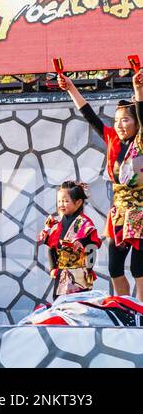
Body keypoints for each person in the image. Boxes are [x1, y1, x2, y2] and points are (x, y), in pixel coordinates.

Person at [58, 68, 143, 299]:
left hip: (141, 212)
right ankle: (126, 306)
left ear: (137, 123)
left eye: (125, 119)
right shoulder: (113, 139)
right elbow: (89, 115)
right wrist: (70, 88)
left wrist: (138, 90)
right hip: (119, 213)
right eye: (117, 120)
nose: (120, 125)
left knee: (139, 268)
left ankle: (141, 313)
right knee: (115, 268)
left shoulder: (142, 141)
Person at [37, 181, 102, 298]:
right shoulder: (57, 225)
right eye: (59, 201)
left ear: (78, 203)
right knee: (60, 305)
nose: (62, 204)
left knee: (80, 305)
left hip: (80, 274)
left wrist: (88, 268)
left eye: (66, 201)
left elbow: (92, 246)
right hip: (61, 273)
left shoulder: (84, 223)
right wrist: (52, 268)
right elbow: (52, 248)